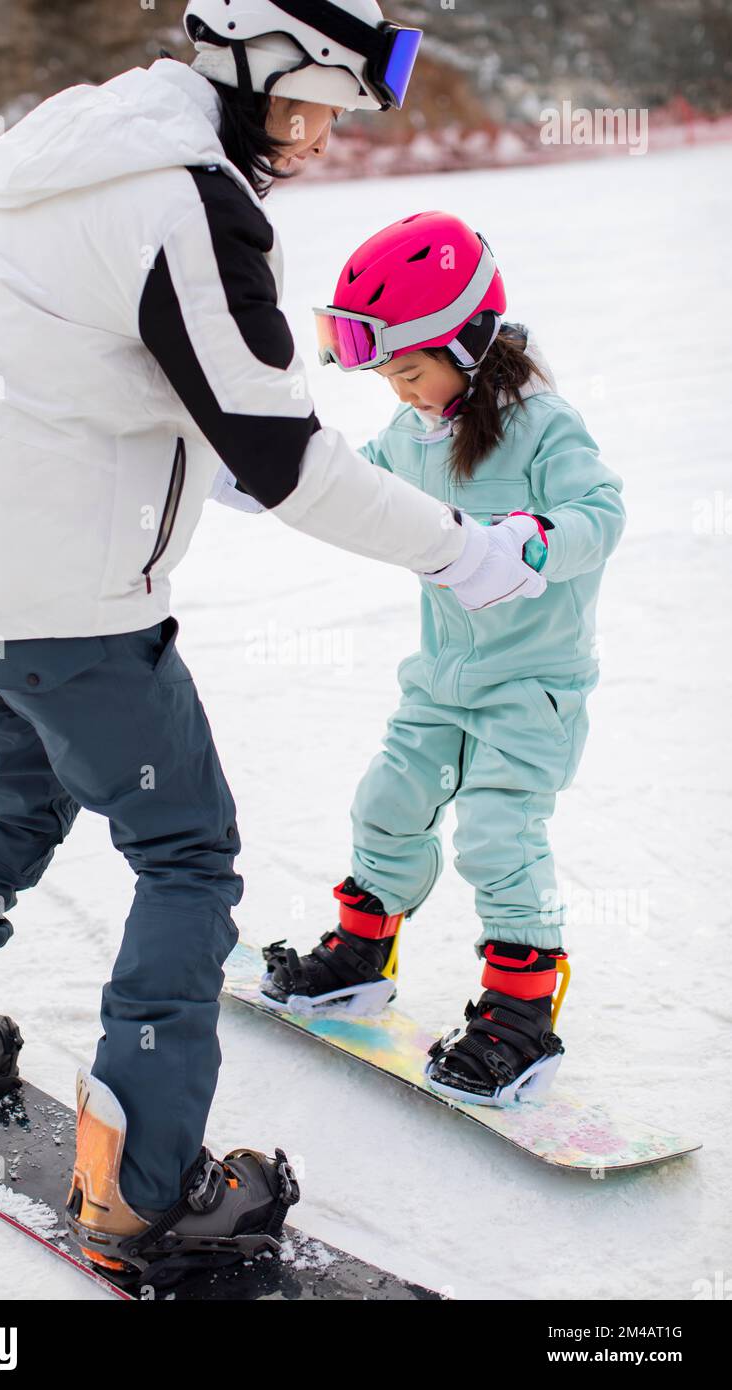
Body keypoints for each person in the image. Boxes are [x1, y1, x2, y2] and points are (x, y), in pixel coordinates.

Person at [0, 2, 547, 1284]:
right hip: (66, 607)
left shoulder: (78, 148)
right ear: (245, 78)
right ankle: (143, 1191)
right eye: (305, 110)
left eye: (332, 119)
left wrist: (211, 450)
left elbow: (100, 360)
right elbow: (286, 455)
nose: (317, 141)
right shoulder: (187, 195)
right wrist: (462, 548)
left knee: (18, 794)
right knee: (185, 855)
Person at [262, 210, 626, 1106]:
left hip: (531, 687)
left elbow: (604, 513)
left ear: (468, 344)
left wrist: (535, 539)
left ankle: (519, 1014)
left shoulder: (542, 425)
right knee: (387, 803)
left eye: (410, 369)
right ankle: (360, 952)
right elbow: (362, 488)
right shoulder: (416, 432)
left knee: (500, 837)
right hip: (440, 681)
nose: (400, 390)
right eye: (386, 374)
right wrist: (269, 473)